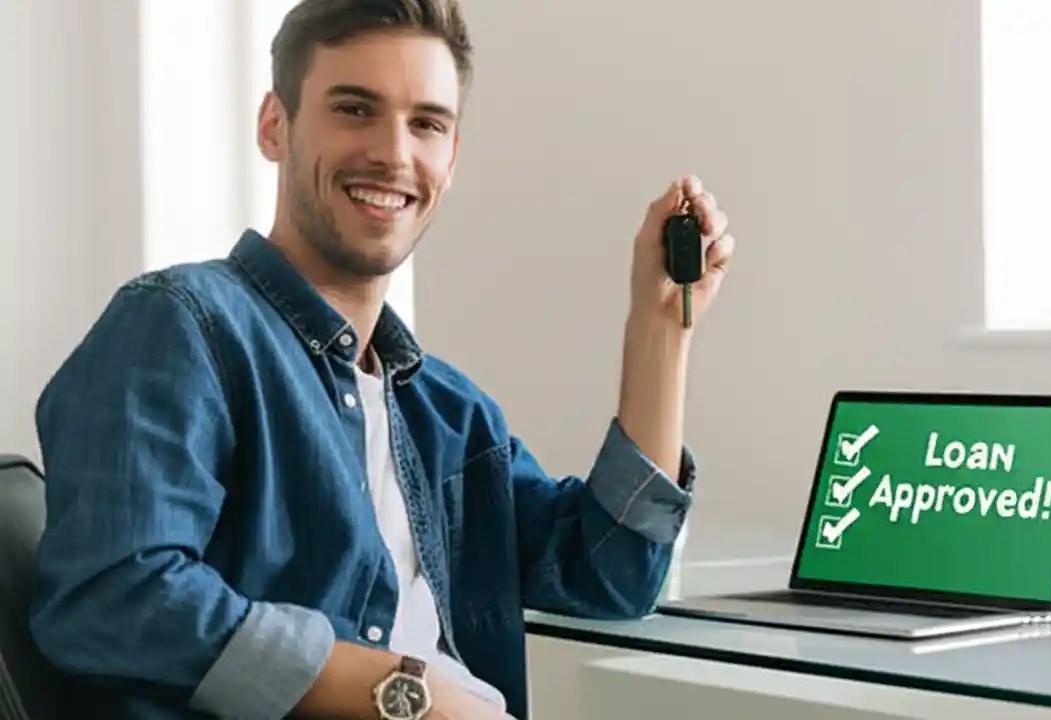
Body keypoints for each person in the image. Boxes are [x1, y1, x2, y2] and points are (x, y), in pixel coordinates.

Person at [27, 0, 735, 718]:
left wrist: (660, 330)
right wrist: (408, 696)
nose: (394, 154)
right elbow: (111, 597)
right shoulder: (182, 326)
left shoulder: (449, 414)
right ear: (275, 126)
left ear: (450, 158)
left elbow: (611, 576)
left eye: (426, 123)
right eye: (354, 109)